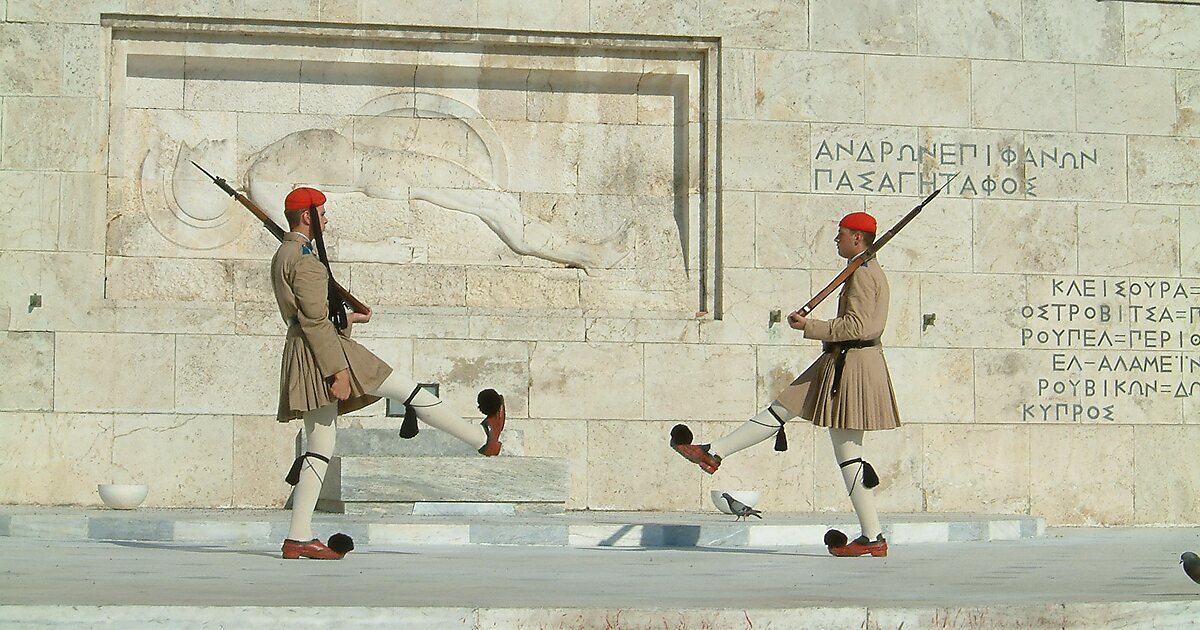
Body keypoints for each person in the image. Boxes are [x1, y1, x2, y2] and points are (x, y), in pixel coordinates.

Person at [272, 186, 506, 560]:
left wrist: (349, 318)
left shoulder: (286, 254)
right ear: (307, 217)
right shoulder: (305, 261)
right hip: (327, 353)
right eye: (323, 213)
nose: (326, 220)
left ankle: (298, 536)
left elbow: (308, 319)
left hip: (306, 353)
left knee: (320, 446)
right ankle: (481, 438)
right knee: (407, 389)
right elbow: (314, 321)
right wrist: (337, 371)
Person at [670, 211, 900, 558]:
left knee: (845, 452)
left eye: (841, 234)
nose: (836, 239)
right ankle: (713, 452)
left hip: (852, 365)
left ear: (858, 238)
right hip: (841, 362)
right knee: (787, 410)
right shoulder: (862, 270)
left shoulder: (865, 276)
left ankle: (873, 536)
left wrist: (809, 326)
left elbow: (860, 327)